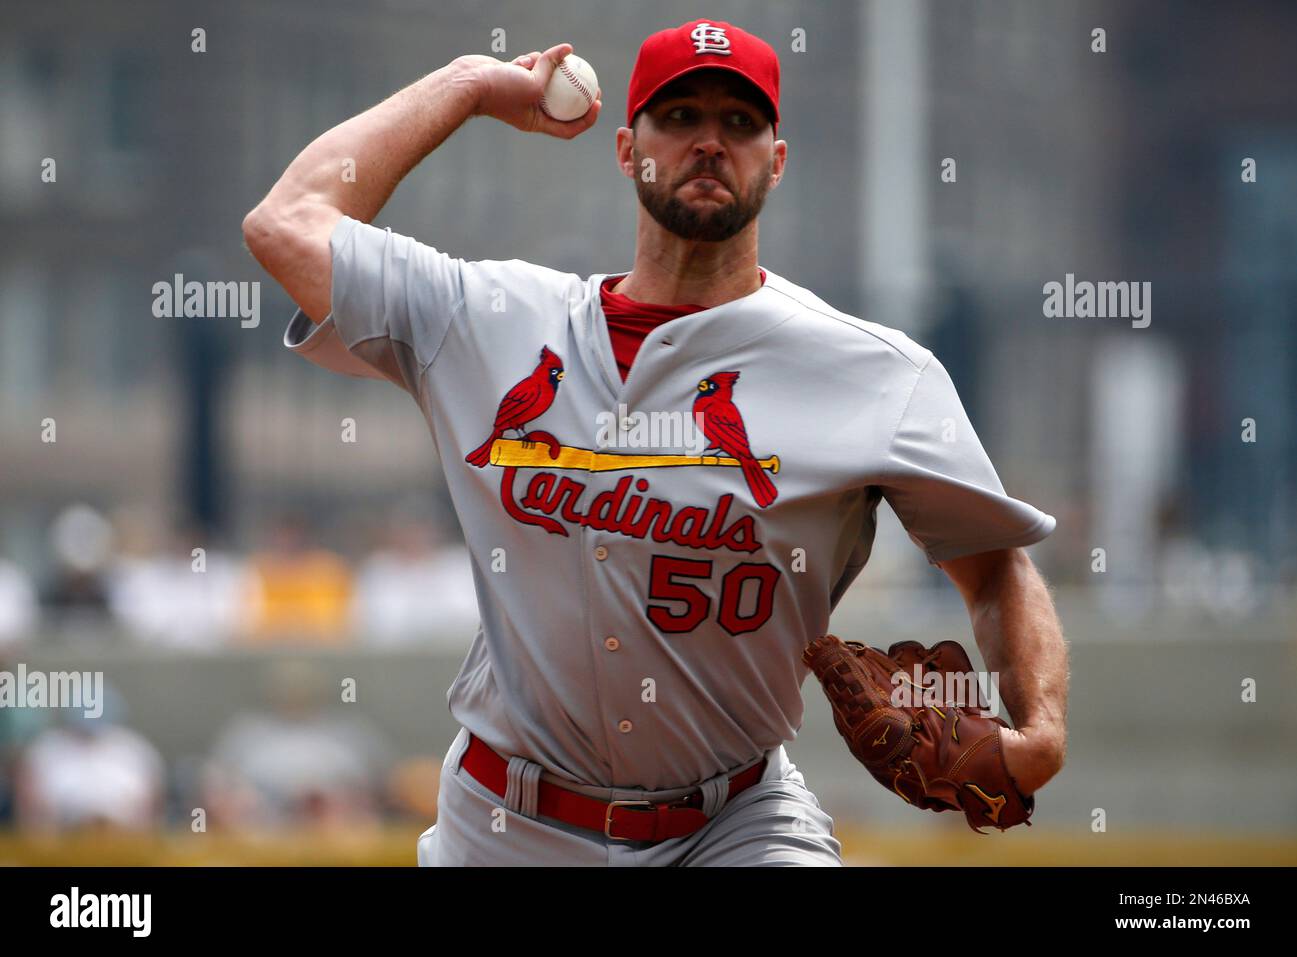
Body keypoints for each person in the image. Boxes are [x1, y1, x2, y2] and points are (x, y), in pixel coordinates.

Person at [243, 18, 1068, 866]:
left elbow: (995, 562)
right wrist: (468, 86)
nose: (709, 142)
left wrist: (1039, 731)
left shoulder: (876, 374)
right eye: (679, 118)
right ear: (626, 148)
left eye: (740, 123)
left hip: (735, 825)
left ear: (775, 162)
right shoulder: (490, 318)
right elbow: (287, 221)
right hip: (502, 825)